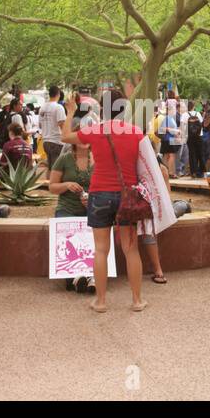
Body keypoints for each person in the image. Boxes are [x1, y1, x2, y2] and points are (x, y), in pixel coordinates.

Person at [60, 89, 146, 312]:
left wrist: (70, 112)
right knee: (131, 249)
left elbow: (65, 137)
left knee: (100, 249)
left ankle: (101, 301)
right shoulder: (136, 132)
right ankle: (137, 300)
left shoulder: (94, 131)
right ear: (124, 108)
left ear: (102, 108)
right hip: (127, 196)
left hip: (99, 194)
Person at [48, 118, 95, 292]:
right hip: (67, 208)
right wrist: (66, 185)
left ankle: (87, 276)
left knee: (96, 232)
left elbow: (105, 187)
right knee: (68, 233)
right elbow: (52, 187)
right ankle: (76, 276)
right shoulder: (64, 159)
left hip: (91, 208)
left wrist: (92, 198)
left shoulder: (97, 159)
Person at [39, 85, 67, 168]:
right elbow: (62, 124)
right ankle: (52, 181)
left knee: (50, 167)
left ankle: (49, 180)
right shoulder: (58, 107)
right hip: (56, 142)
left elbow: (40, 125)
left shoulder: (42, 108)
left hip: (45, 142)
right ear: (58, 94)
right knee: (57, 170)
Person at [185, 101, 205, 178]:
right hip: (199, 136)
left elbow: (183, 127)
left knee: (192, 154)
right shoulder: (198, 114)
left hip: (190, 137)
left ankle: (193, 172)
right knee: (200, 154)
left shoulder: (185, 115)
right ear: (193, 106)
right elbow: (202, 124)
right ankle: (202, 172)